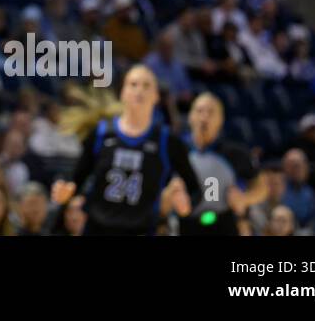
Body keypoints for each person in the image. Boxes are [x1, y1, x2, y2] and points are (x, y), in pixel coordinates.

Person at [50, 66, 201, 235]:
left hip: (142, 230)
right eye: (133, 84)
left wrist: (186, 206)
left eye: (146, 85)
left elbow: (195, 190)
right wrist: (64, 191)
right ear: (123, 92)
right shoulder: (101, 134)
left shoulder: (167, 141)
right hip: (97, 229)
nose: (139, 90)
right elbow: (75, 179)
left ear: (156, 96)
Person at [180, 92, 264, 235]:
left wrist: (244, 199)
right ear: (190, 117)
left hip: (224, 223)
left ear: (220, 120)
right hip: (184, 222)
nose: (204, 117)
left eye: (211, 112)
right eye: (199, 111)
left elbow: (261, 187)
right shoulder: (178, 148)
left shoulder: (234, 152)